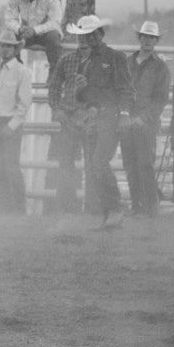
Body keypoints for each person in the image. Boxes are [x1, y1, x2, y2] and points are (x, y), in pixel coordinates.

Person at [48, 14, 134, 225]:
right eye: (85, 35)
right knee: (95, 166)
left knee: (98, 162)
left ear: (101, 34)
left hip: (110, 116)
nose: (90, 38)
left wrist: (124, 114)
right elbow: (83, 96)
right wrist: (82, 94)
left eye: (93, 34)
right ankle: (109, 212)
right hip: (93, 118)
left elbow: (125, 89)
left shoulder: (116, 58)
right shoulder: (85, 63)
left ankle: (115, 208)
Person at [120, 20, 172, 216]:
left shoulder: (161, 68)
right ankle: (136, 205)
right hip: (126, 121)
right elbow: (120, 89)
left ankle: (151, 207)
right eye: (145, 36)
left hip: (147, 123)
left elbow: (160, 98)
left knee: (145, 163)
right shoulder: (126, 63)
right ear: (139, 38)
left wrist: (143, 118)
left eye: (152, 37)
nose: (148, 40)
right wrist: (124, 114)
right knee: (130, 165)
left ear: (156, 41)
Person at [0, 28, 33, 213]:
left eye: (10, 47)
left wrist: (11, 127)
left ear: (15, 50)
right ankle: (5, 210)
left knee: (11, 167)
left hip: (11, 124)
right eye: (3, 46)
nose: (6, 49)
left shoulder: (22, 72)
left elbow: (24, 104)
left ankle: (19, 209)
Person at [4, 0, 63, 75]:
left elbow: (55, 21)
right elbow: (9, 20)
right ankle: (15, 72)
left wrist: (35, 30)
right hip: (24, 33)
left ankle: (55, 75)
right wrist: (19, 29)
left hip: (46, 33)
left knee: (54, 38)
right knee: (8, 37)